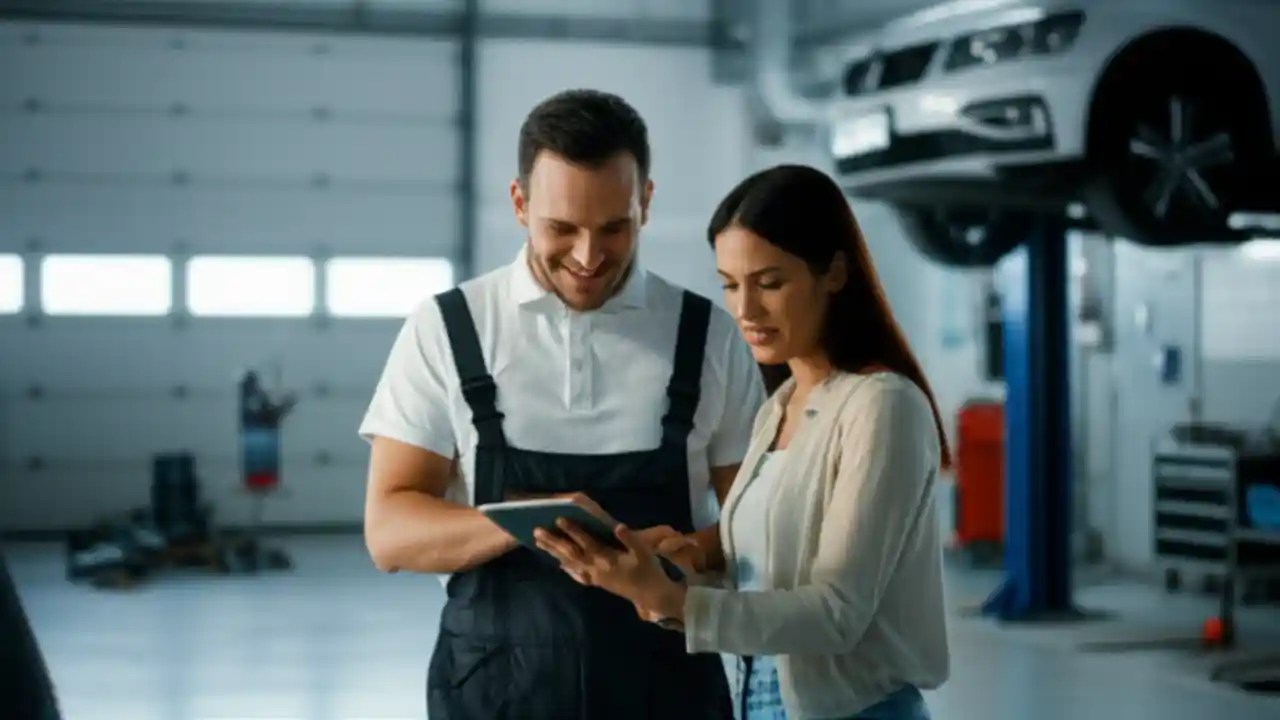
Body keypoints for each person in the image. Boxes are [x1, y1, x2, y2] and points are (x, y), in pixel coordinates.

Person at [358, 88, 767, 719]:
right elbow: (389, 534)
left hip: (666, 691)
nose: (587, 256)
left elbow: (762, 527)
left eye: (614, 227)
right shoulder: (448, 328)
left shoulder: (708, 336)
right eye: (561, 228)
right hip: (494, 695)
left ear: (646, 203)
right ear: (520, 204)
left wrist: (691, 554)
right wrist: (519, 521)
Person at [535, 164, 952, 720]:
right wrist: (682, 562)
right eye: (730, 284)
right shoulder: (777, 408)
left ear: (833, 273)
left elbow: (835, 614)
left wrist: (672, 601)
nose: (745, 310)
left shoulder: (881, 405)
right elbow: (770, 575)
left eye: (770, 282)